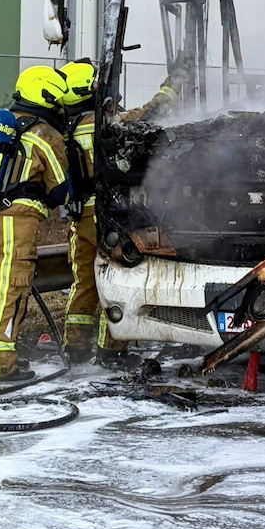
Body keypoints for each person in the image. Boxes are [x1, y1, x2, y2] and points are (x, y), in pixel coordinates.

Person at [59, 59, 182, 367]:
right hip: (105, 216)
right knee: (114, 276)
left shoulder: (61, 130)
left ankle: (74, 346)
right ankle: (110, 348)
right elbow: (150, 114)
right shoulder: (103, 125)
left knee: (84, 281)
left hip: (78, 218)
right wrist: (172, 87)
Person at [0, 66, 74, 381]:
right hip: (18, 220)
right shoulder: (45, 135)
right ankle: (1, 366)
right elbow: (60, 188)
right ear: (47, 95)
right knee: (11, 289)